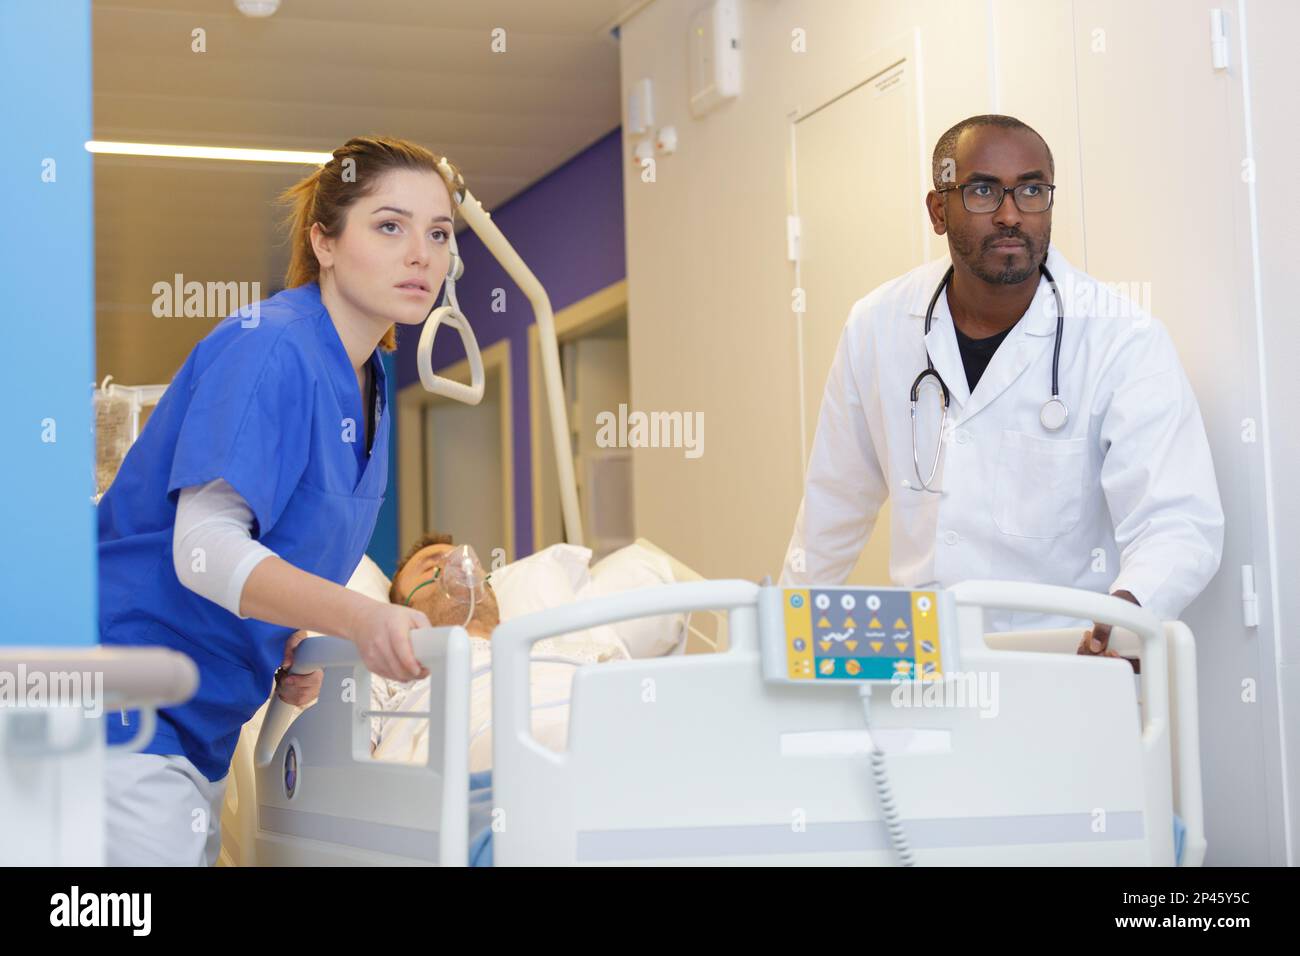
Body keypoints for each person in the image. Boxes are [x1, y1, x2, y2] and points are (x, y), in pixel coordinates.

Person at [98, 136, 464, 866]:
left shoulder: (371, 384)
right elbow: (204, 551)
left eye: (440, 233)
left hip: (190, 729)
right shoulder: (272, 347)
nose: (421, 253)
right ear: (323, 241)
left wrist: (284, 635)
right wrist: (360, 617)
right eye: (389, 226)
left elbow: (273, 556)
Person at [781, 115, 1224, 654]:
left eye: (1032, 190)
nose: (1011, 214)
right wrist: (789, 639)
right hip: (926, 662)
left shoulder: (1121, 339)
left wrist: (1125, 615)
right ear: (938, 209)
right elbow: (835, 499)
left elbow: (1178, 519)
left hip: (1066, 661)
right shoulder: (877, 325)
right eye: (983, 190)